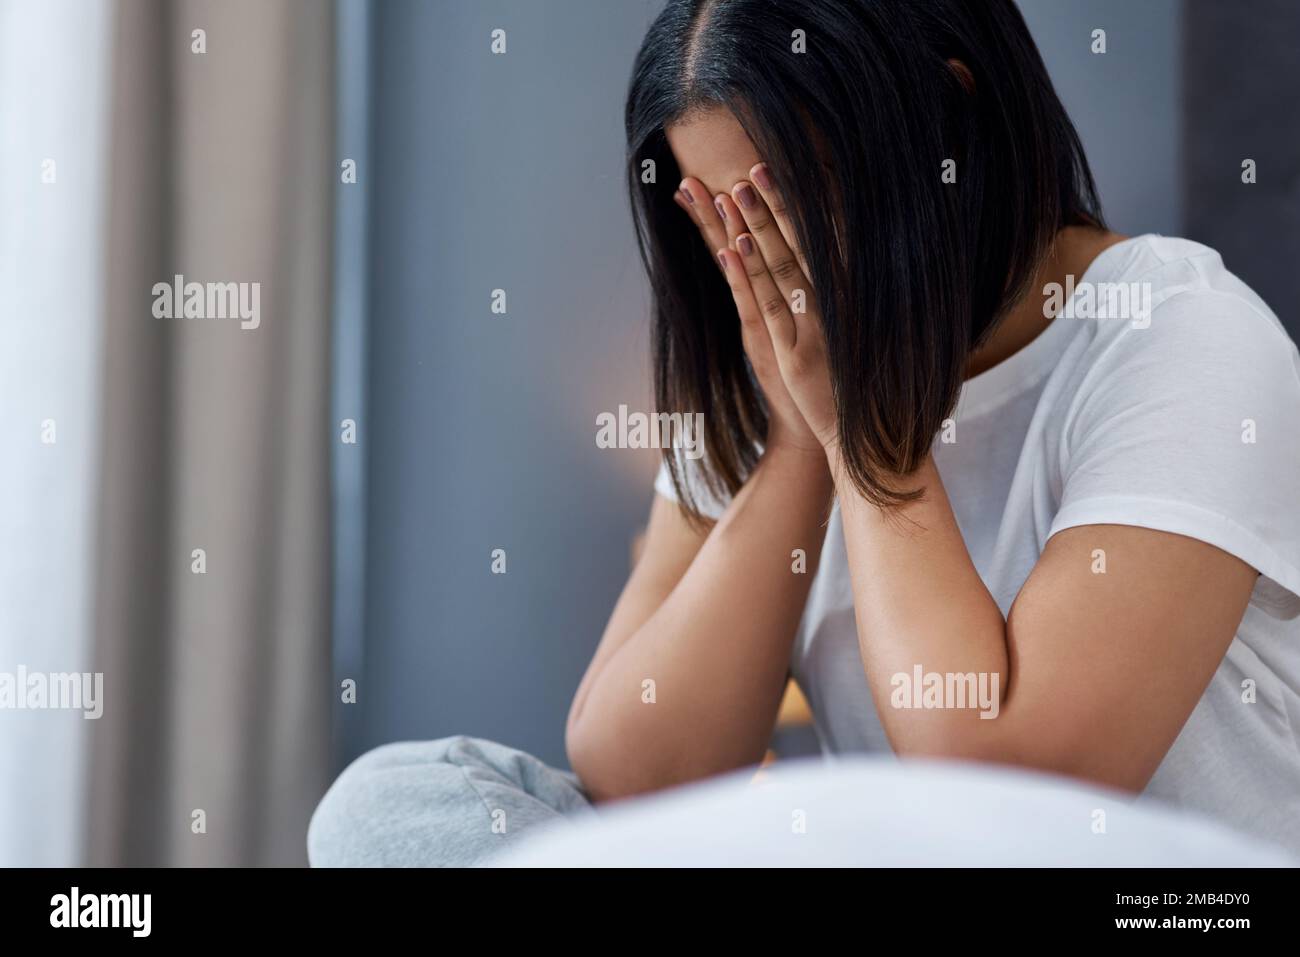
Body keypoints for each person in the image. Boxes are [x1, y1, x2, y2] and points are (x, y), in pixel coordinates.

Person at [309, 0, 1300, 867]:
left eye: (786, 212)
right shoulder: (777, 364)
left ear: (949, 120)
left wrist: (865, 437)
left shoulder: (1174, 335)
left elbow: (1017, 787)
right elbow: (637, 773)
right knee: (393, 805)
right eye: (729, 226)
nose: (768, 267)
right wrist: (794, 445)